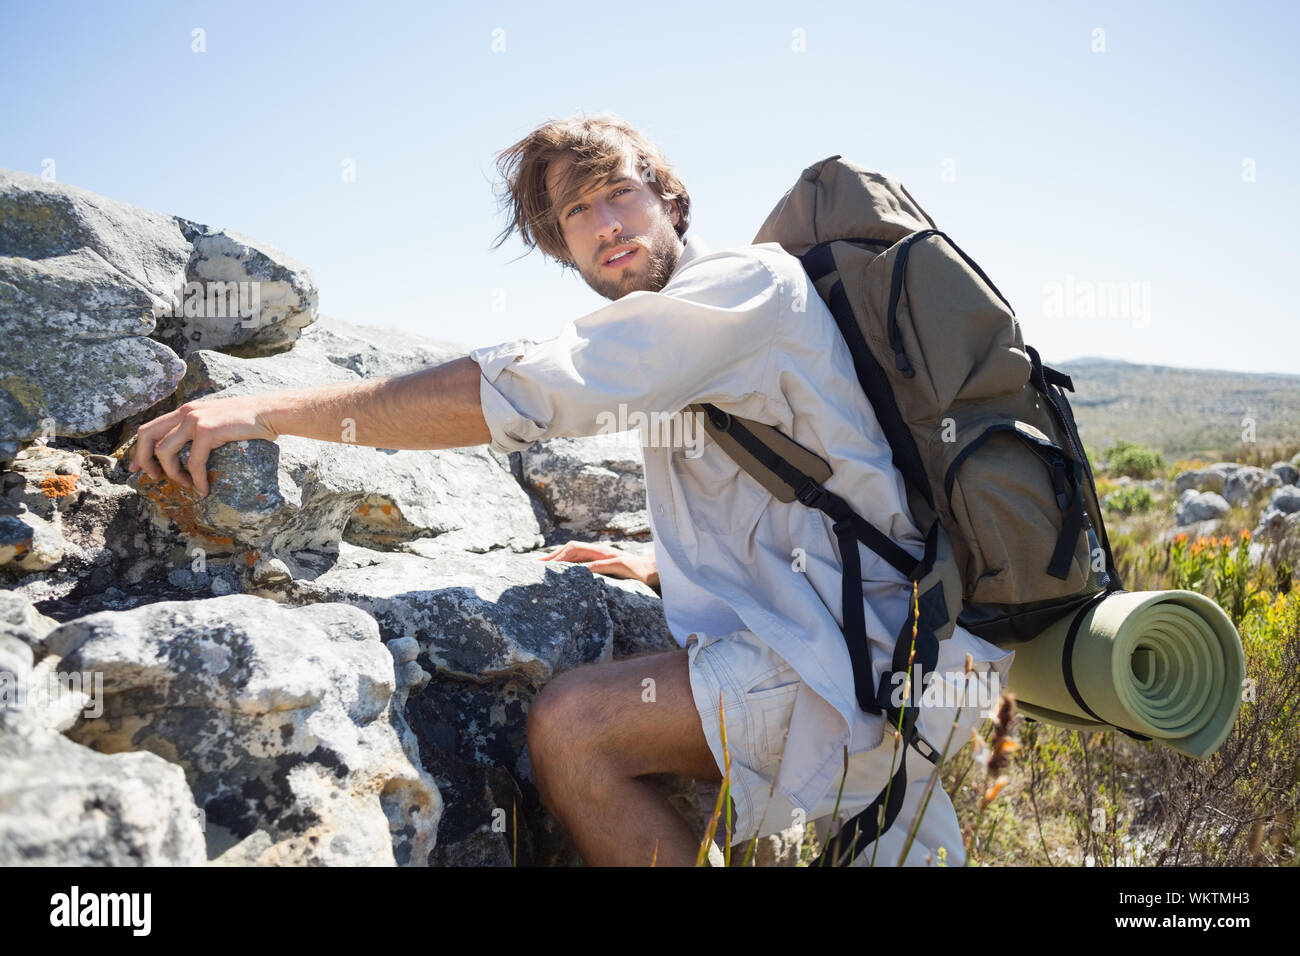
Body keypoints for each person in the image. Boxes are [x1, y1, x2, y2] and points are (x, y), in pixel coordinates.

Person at [129, 111, 1014, 867]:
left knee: (575, 727)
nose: (606, 223)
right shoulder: (695, 317)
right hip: (885, 638)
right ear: (561, 243)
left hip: (863, 657)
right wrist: (666, 564)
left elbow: (524, 392)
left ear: (669, 199)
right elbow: (801, 487)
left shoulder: (741, 287)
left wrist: (266, 410)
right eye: (575, 211)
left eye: (619, 192)